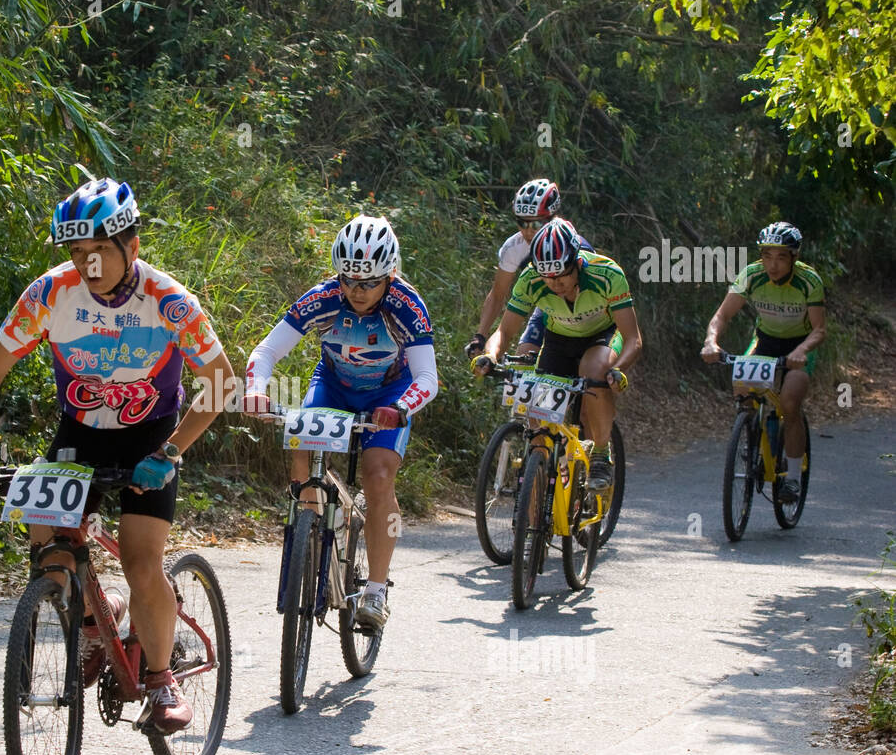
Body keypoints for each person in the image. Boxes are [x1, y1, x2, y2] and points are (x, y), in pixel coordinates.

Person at [0, 177, 235, 734]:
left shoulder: (169, 302)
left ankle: (159, 678)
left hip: (149, 437)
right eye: (77, 252)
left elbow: (222, 383)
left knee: (140, 560)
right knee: (48, 546)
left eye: (100, 249)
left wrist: (171, 452)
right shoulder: (50, 294)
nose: (88, 264)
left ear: (133, 245)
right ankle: (98, 627)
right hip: (79, 432)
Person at [241, 215, 438, 629]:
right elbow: (267, 351)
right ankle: (313, 538)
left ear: (390, 275)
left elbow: (427, 378)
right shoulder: (323, 298)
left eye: (368, 282)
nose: (357, 291)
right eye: (348, 280)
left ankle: (377, 590)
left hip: (388, 394)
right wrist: (256, 388)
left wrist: (401, 407)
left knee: (378, 476)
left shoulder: (406, 306)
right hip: (332, 384)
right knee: (302, 453)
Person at [473, 216, 642, 489]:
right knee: (538, 432)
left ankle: (600, 452)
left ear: (577, 261)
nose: (554, 283)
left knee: (594, 371)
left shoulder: (607, 274)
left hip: (603, 335)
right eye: (547, 276)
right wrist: (490, 355)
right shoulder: (531, 279)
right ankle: (535, 508)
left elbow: (634, 338)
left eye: (561, 274)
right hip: (558, 340)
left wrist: (617, 370)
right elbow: (504, 332)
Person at [700, 221, 825, 503]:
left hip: (801, 344)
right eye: (767, 255)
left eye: (781, 257)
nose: (773, 265)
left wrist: (802, 351)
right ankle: (752, 432)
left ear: (794, 257)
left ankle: (792, 478)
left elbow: (820, 329)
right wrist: (711, 342)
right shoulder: (751, 275)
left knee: (790, 402)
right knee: (743, 390)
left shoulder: (809, 280)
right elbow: (722, 316)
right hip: (765, 340)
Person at [466, 178, 594, 360]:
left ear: (552, 218)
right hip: (547, 305)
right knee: (522, 360)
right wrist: (480, 336)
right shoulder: (514, 248)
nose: (527, 231)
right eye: (521, 223)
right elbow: (497, 295)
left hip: (584, 308)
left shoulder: (572, 244)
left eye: (535, 224)